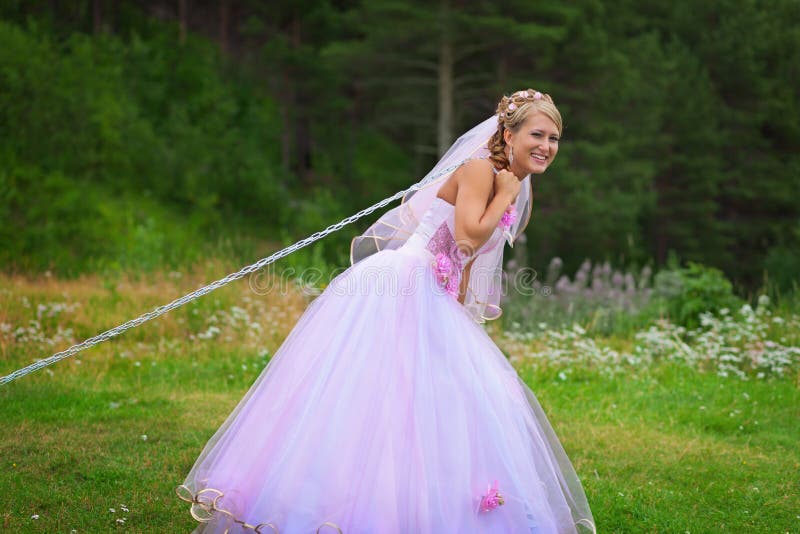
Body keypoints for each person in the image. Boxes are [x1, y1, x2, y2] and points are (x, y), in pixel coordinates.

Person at [176, 89, 596, 534]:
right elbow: (469, 236)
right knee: (369, 397)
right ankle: (326, 503)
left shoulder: (509, 190)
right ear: (508, 134)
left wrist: (457, 320)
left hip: (435, 300)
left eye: (554, 138)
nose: (546, 146)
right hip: (400, 286)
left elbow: (467, 261)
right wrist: (504, 195)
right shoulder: (479, 172)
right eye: (537, 134)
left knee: (436, 404)